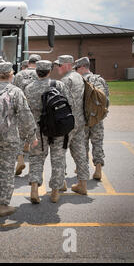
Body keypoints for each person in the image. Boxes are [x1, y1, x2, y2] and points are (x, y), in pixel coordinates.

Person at [0, 62, 37, 216]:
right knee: (6, 170)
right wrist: (32, 136)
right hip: (8, 137)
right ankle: (4, 205)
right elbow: (25, 115)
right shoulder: (15, 91)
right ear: (11, 75)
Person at [24, 61, 69, 204]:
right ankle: (55, 192)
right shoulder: (58, 85)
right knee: (58, 159)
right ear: (49, 71)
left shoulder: (29, 88)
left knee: (36, 158)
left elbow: (26, 110)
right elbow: (69, 104)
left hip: (38, 129)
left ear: (36, 72)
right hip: (57, 128)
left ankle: (34, 189)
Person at [56, 55, 90, 195]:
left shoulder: (65, 80)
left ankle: (61, 184)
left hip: (67, 122)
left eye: (59, 65)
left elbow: (60, 103)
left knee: (60, 151)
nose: (57, 68)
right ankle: (82, 184)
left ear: (67, 65)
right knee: (80, 152)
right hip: (80, 121)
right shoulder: (79, 77)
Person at [74, 57, 110, 181]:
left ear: (83, 67)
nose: (76, 71)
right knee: (97, 143)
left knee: (82, 145)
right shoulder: (100, 80)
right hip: (97, 119)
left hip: (83, 119)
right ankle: (98, 169)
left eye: (77, 68)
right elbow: (106, 100)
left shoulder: (78, 81)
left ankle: (81, 169)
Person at [13, 54, 41, 176]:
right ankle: (33, 170)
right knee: (35, 138)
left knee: (19, 137)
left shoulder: (19, 75)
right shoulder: (40, 74)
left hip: (21, 110)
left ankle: (20, 159)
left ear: (28, 62)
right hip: (37, 111)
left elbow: (13, 92)